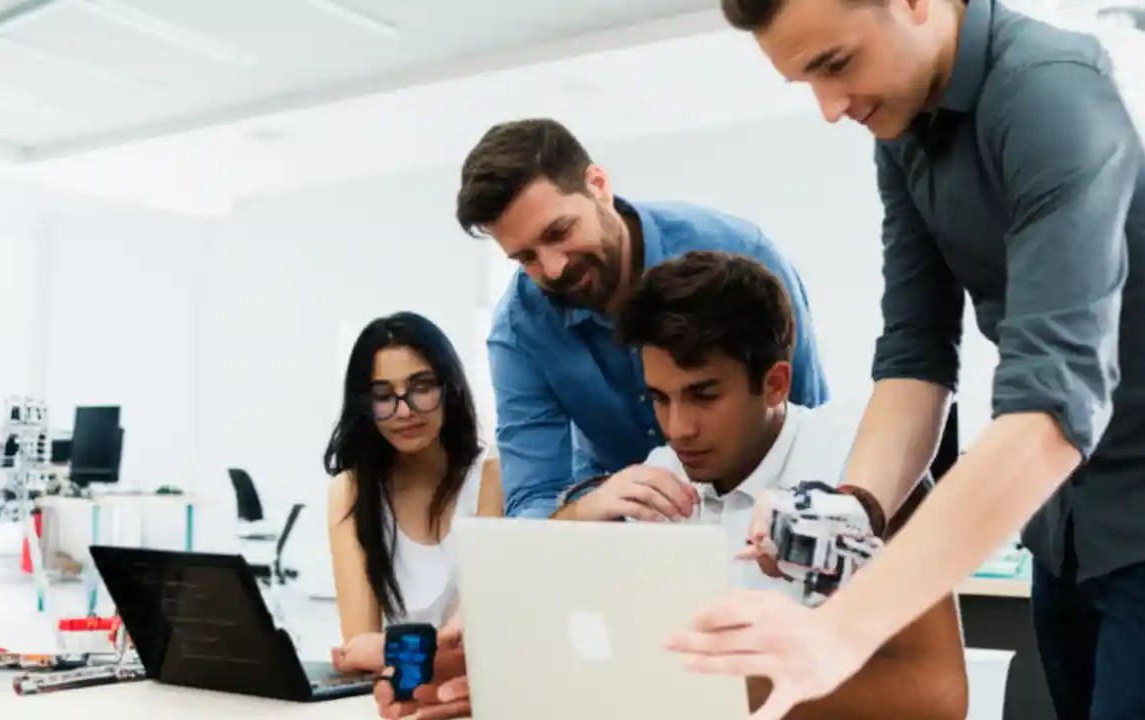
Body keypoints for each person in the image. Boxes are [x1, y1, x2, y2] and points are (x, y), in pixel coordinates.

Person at [667, 1, 1145, 719]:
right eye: (805, 81)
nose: (831, 109)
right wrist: (851, 509)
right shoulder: (903, 127)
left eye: (835, 65)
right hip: (1069, 534)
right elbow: (916, 351)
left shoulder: (1052, 89)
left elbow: (1054, 404)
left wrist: (841, 632)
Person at [375, 253, 970, 720]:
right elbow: (577, 630)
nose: (679, 428)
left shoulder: (862, 463)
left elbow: (936, 694)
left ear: (776, 383)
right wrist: (496, 668)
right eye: (659, 398)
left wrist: (695, 683)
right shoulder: (665, 472)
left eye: (704, 395)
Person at [460, 117, 830, 519]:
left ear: (598, 186)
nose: (552, 269)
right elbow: (532, 505)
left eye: (558, 232)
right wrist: (589, 512)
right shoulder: (519, 331)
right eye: (525, 257)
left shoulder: (741, 253)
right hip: (618, 530)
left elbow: (806, 425)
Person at [323, 312, 502, 674]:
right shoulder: (351, 490)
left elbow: (470, 644)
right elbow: (358, 647)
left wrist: (388, 650)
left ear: (449, 388)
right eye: (383, 395)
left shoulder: (492, 477)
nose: (405, 411)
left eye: (422, 387)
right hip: (399, 699)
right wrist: (406, 653)